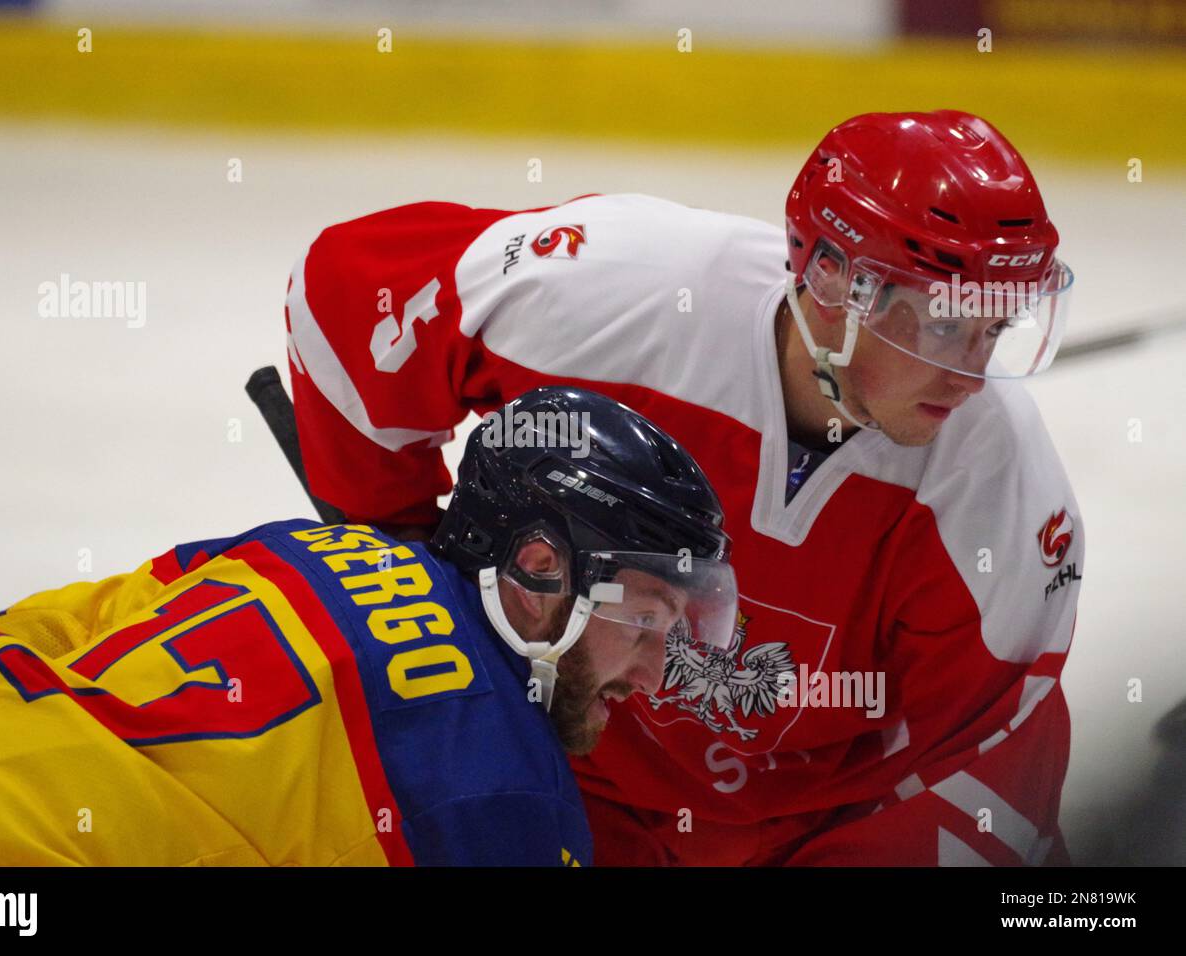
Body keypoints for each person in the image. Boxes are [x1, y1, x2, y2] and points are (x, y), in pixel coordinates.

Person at [283, 109, 1084, 866]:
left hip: (815, 832)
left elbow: (982, 773)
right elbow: (346, 295)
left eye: (995, 330)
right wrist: (403, 557)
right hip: (553, 774)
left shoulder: (997, 492)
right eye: (946, 325)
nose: (974, 377)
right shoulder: (615, 292)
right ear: (836, 283)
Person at [0, 387, 735, 866]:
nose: (656, 671)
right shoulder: (503, 798)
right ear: (540, 570)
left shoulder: (302, 550)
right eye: (644, 621)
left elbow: (44, 628)